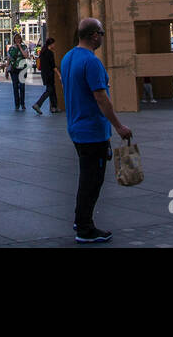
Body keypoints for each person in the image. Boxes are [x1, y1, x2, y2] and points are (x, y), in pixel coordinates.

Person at [60, 18, 131, 244]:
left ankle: (80, 219)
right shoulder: (92, 62)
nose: (102, 37)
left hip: (76, 128)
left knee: (87, 177)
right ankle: (84, 227)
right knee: (92, 180)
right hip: (92, 131)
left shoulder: (67, 58)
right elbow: (101, 99)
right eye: (101, 33)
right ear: (93, 36)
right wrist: (119, 126)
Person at [31, 37, 59, 114]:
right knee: (49, 90)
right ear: (51, 44)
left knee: (52, 90)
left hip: (44, 74)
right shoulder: (49, 53)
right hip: (49, 74)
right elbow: (53, 66)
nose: (55, 45)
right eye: (54, 44)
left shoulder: (43, 52)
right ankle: (38, 104)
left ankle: (54, 107)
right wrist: (59, 75)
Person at [7, 33, 30, 111]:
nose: (17, 40)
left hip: (22, 69)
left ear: (21, 39)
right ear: (14, 40)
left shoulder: (24, 47)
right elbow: (9, 59)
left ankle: (22, 104)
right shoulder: (11, 48)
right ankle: (17, 104)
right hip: (14, 69)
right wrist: (7, 70)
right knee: (15, 87)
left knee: (22, 87)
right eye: (16, 39)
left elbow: (26, 56)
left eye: (19, 38)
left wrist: (20, 47)